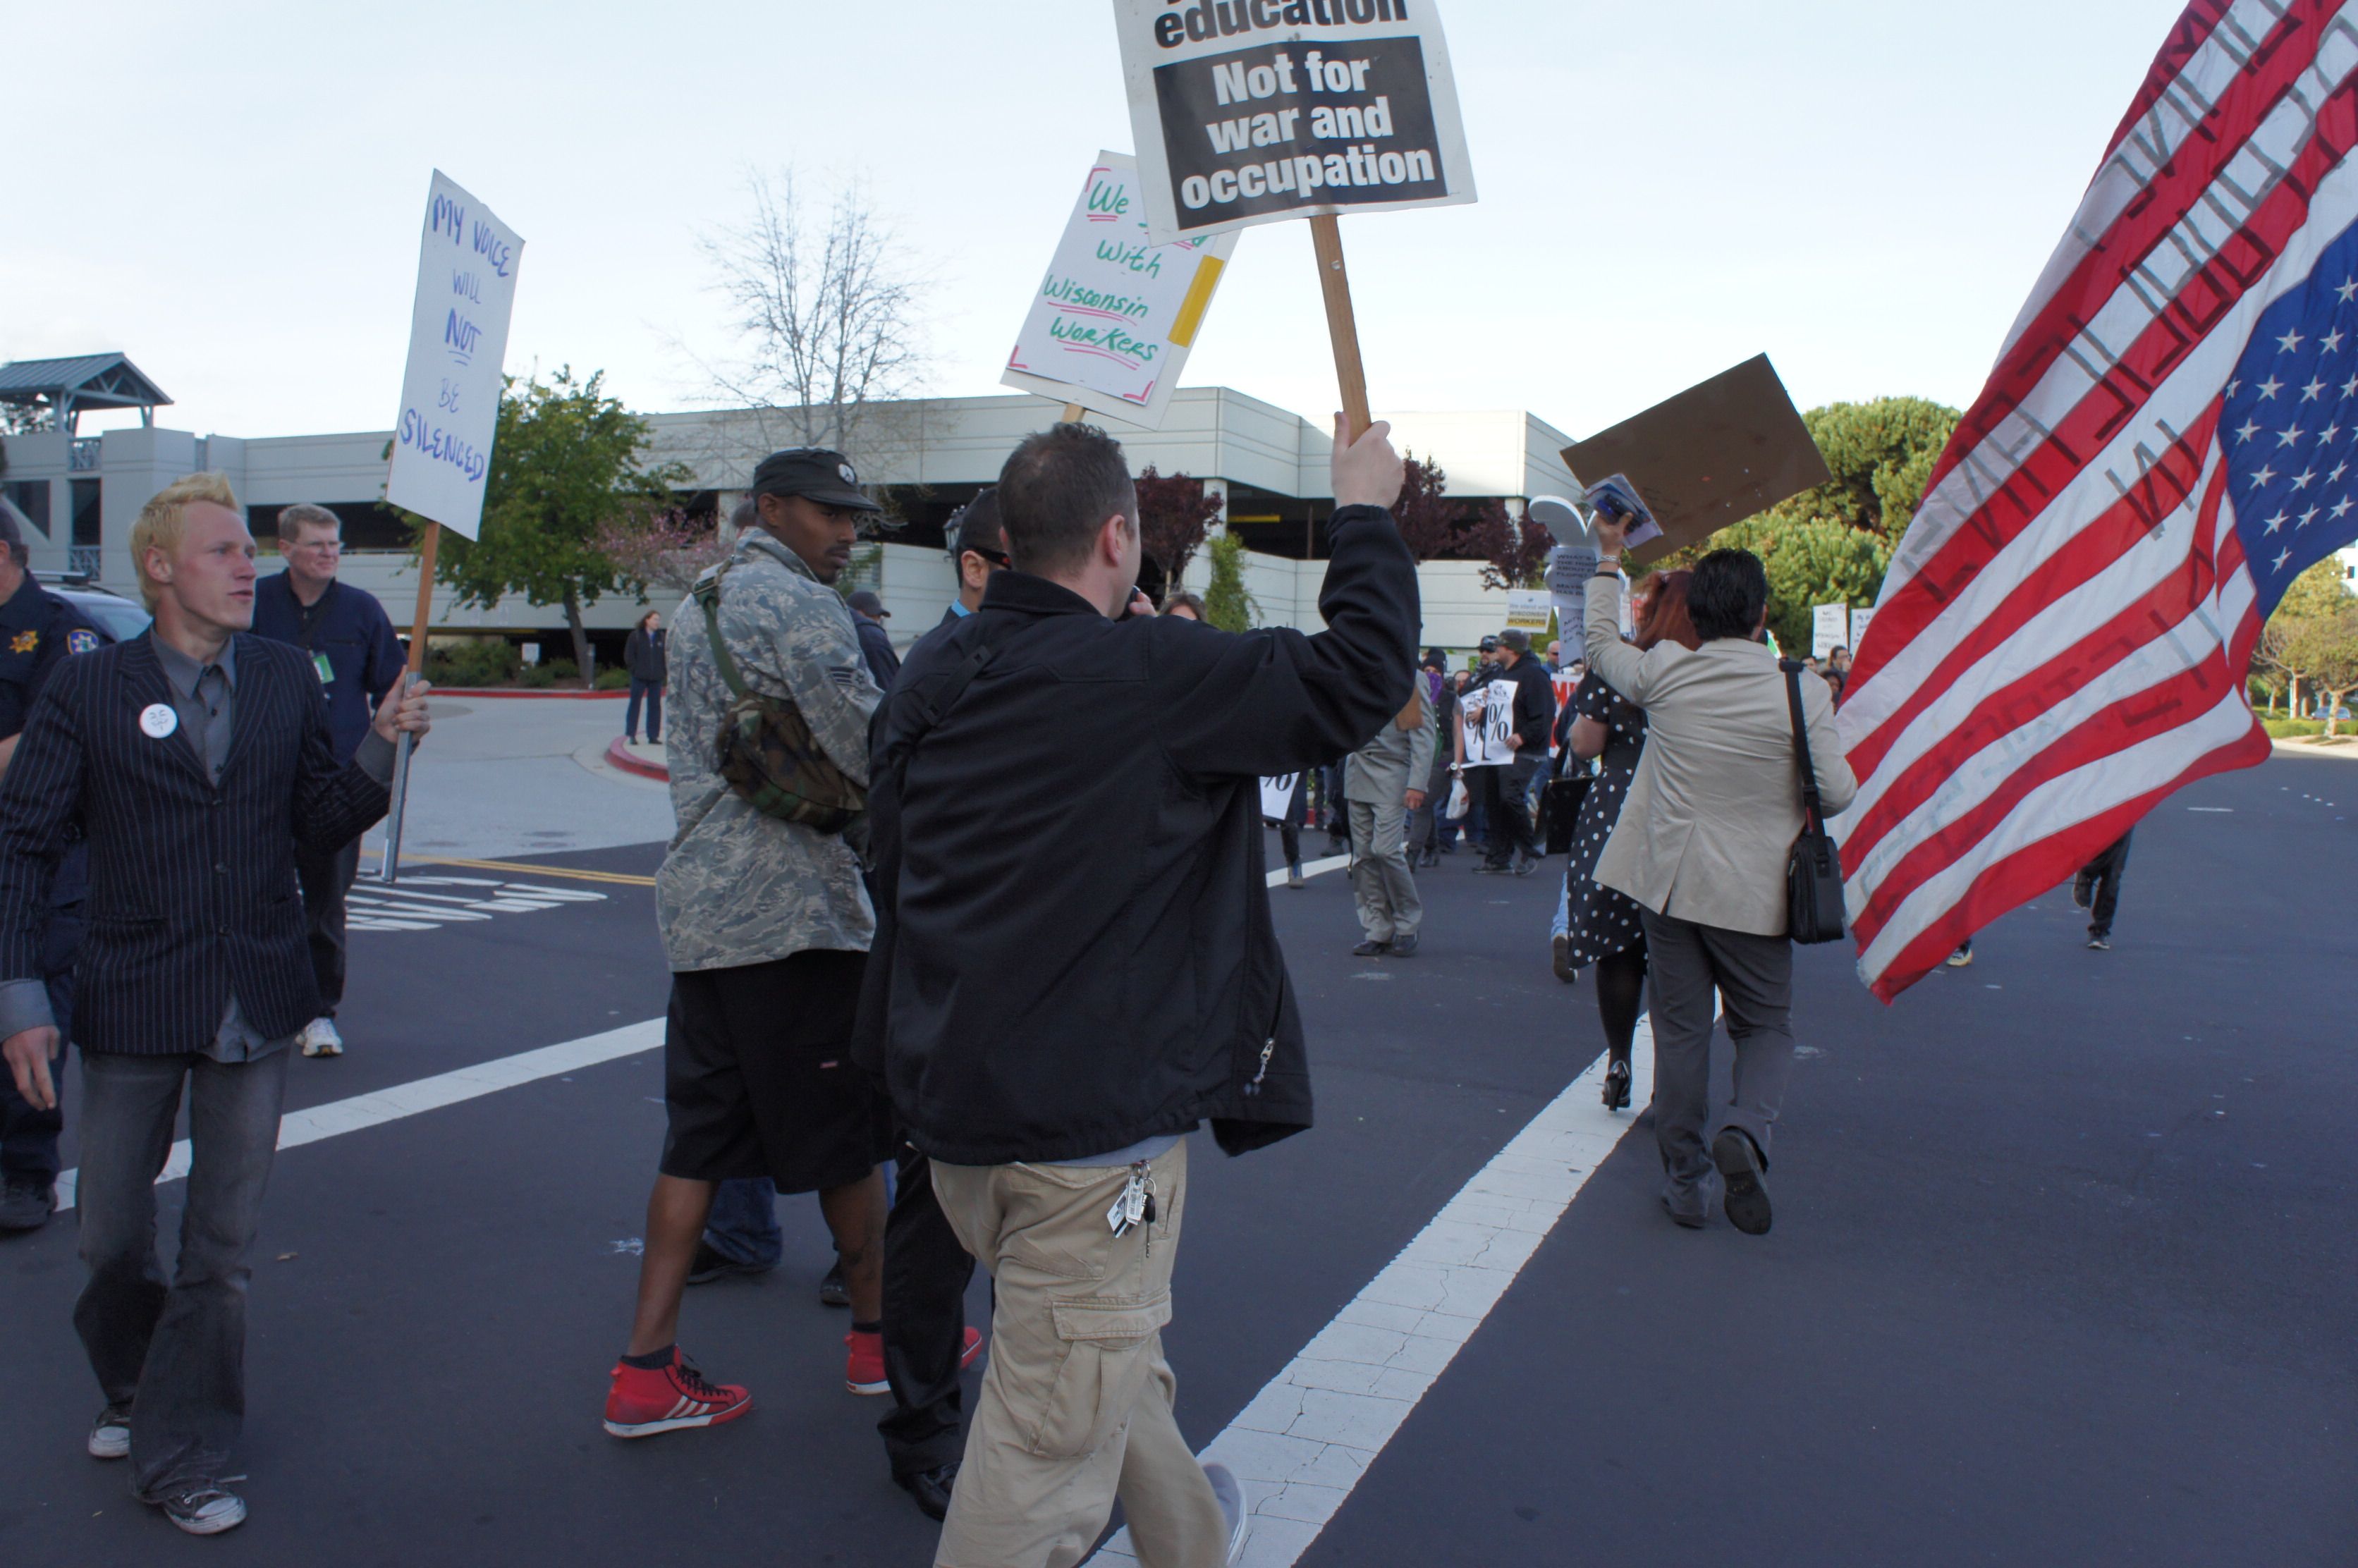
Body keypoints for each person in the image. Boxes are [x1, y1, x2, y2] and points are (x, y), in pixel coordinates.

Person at [858, 415, 1416, 1568]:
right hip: (1084, 1149)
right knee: (1039, 1454)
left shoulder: (930, 673)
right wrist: (1361, 508)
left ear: (1005, 544)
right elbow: (1361, 673)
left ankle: (1190, 1535)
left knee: (1086, 1361)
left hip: (951, 1120)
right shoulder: (1151, 673)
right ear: (1116, 536)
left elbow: (888, 865)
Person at [0, 472, 429, 1536]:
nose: (250, 568)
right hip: (134, 999)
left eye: (250, 552)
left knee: (221, 1259)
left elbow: (318, 823)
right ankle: (135, 1384)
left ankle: (187, 1452)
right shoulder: (90, 689)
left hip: (257, 997)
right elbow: (24, 842)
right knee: (109, 1238)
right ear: (159, 568)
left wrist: (384, 738)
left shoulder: (285, 679)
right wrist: (18, 993)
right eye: (225, 552)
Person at [604, 448, 896, 1442]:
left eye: (853, 515)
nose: (847, 531)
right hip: (796, 915)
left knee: (697, 1145)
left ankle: (644, 1372)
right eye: (829, 513)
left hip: (701, 917)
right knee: (846, 1142)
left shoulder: (700, 607)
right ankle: (879, 1342)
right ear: (771, 506)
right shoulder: (807, 608)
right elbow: (873, 748)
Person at [1583, 520, 1855, 1236]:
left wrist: (1609, 559)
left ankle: (1684, 1183)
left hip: (1669, 883)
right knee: (1764, 1026)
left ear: (1695, 617)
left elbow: (1598, 645)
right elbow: (1835, 793)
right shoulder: (1799, 691)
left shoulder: (1667, 670)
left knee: (1676, 1035)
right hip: (1754, 890)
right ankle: (1747, 1130)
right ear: (1761, 614)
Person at [249, 501, 405, 1060]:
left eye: (335, 544)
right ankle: (258, 1004)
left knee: (323, 905)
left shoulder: (362, 611)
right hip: (258, 777)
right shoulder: (255, 603)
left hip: (335, 783)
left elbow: (394, 686)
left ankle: (318, 1014)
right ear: (286, 549)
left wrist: (396, 733)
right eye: (316, 544)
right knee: (251, 898)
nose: (328, 553)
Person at [1558, 572, 1700, 1110]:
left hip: (1617, 807)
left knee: (1619, 949)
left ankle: (1618, 1058)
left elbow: (1586, 741)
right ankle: (1673, 1079)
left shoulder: (1620, 665)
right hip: (1684, 806)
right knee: (1678, 954)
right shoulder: (1705, 669)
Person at [0, 506, 104, 1235]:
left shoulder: (65, 635)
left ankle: (24, 1170)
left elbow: (45, 745)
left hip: (38, 863)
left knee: (30, 1017)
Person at [1344, 679, 1436, 957]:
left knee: (1385, 850)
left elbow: (1423, 734)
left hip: (1392, 773)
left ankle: (1408, 924)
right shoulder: (1355, 671)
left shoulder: (1407, 676)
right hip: (1358, 771)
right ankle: (1378, 930)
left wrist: (1417, 783)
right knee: (1362, 856)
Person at [1472, 628, 1553, 876]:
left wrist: (1523, 736)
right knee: (1495, 802)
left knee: (1510, 797)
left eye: (1499, 647)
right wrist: (1484, 712)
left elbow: (1545, 714)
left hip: (1525, 751)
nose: (1494, 651)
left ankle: (1530, 850)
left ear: (1512, 650)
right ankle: (1499, 857)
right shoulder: (1501, 674)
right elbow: (1505, 711)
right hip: (1499, 751)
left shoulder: (1534, 676)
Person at [1408, 651, 1455, 867]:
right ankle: (1432, 846)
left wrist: (1459, 763)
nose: (1431, 675)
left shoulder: (1451, 700)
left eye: (1436, 672)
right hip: (1420, 754)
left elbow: (1459, 734)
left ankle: (1412, 854)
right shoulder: (1414, 694)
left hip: (1444, 756)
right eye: (1427, 671)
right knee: (1426, 805)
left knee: (1423, 803)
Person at [2075, 831, 2133, 950]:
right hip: (2095, 816)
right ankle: (2086, 874)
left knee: (2113, 875)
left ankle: (2100, 930)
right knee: (2096, 854)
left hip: (2124, 816)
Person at [624, 609, 666, 745]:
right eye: (655, 619)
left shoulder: (661, 637)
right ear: (647, 620)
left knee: (655, 706)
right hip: (639, 677)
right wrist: (635, 670)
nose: (657, 622)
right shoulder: (636, 636)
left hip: (656, 677)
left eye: (658, 620)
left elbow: (666, 656)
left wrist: (664, 671)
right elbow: (629, 655)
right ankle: (631, 734)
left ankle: (653, 736)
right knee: (635, 704)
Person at [849, 588, 900, 688]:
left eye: (879, 617)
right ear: (859, 613)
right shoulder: (871, 638)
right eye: (873, 616)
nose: (877, 621)